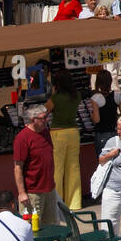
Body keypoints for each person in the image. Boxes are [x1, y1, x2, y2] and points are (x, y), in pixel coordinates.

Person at [13, 106, 57, 228]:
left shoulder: (45, 132)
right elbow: (17, 168)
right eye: (43, 118)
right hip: (33, 192)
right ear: (33, 119)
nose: (46, 120)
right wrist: (22, 192)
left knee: (52, 226)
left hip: (49, 189)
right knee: (32, 228)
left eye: (47, 117)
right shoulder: (22, 138)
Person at [46, 69, 84, 209]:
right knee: (73, 168)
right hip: (73, 132)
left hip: (58, 133)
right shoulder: (77, 96)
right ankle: (74, 202)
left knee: (57, 169)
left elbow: (45, 111)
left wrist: (53, 94)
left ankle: (57, 202)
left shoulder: (55, 98)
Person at [88, 69, 118, 147]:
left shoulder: (96, 98)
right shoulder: (117, 95)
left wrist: (91, 115)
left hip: (102, 133)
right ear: (110, 81)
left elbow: (97, 120)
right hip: (115, 131)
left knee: (103, 157)